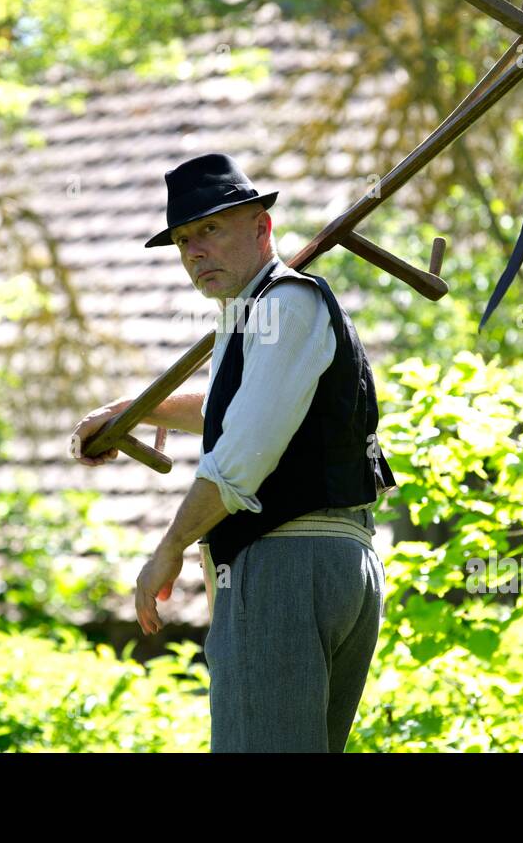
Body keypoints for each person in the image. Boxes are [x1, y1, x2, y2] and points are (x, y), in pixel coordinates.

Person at [69, 152, 396, 752]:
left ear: (261, 226)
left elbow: (242, 454)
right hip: (336, 563)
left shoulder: (283, 305)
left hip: (284, 566)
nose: (195, 251)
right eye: (184, 239)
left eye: (211, 229)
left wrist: (168, 548)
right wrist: (131, 412)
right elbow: (240, 404)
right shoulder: (258, 316)